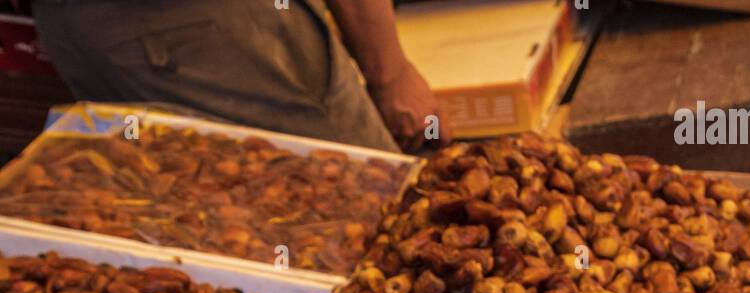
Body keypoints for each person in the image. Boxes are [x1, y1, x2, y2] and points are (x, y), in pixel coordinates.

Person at [31, 0, 449, 152]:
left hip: (95, 29)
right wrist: (391, 73)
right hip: (203, 26)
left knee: (220, 218)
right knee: (352, 213)